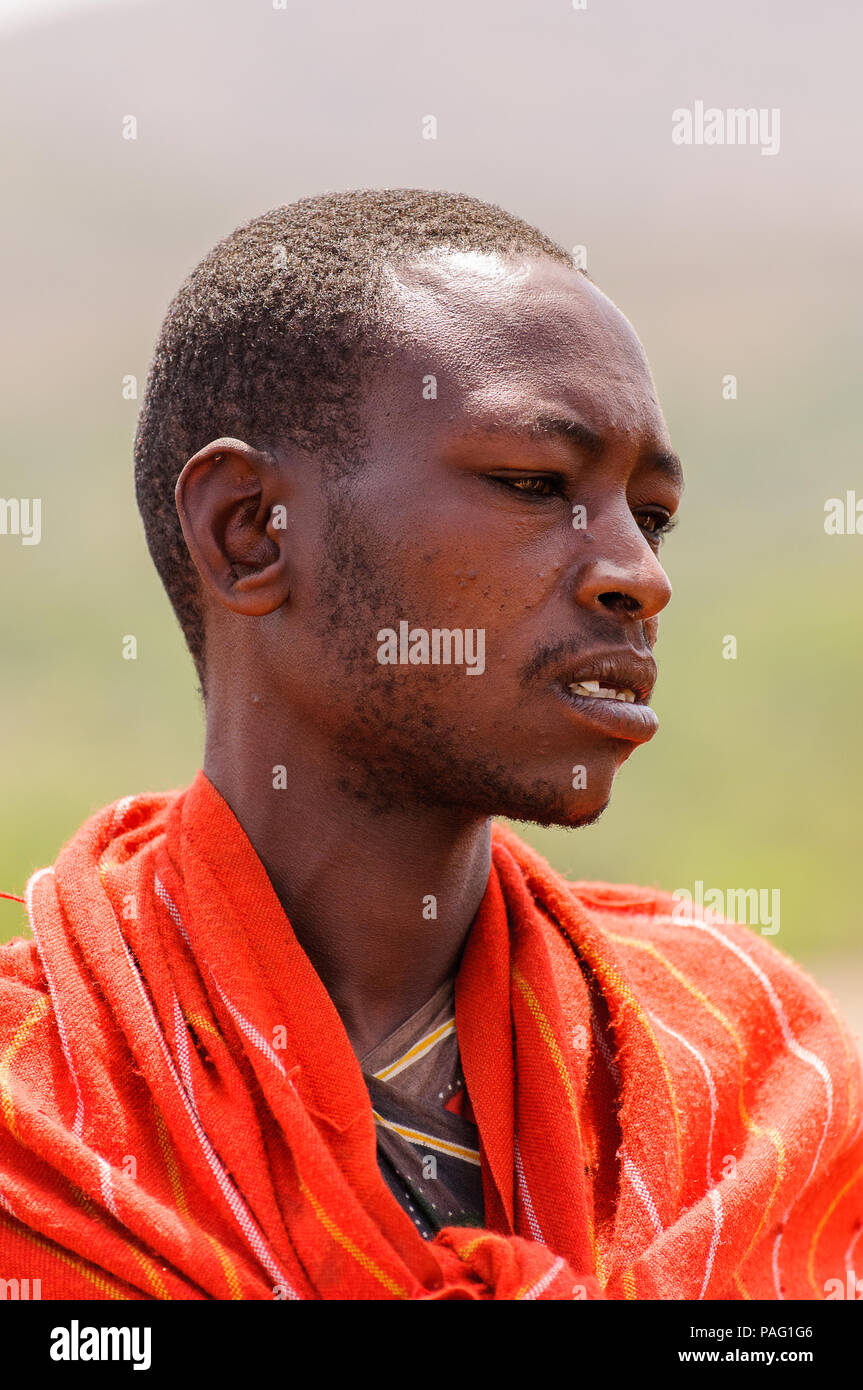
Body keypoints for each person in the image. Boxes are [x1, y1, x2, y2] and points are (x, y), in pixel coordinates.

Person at [1, 189, 859, 1301]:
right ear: (248, 530)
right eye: (532, 484)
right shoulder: (35, 1117)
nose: (637, 575)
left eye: (649, 515)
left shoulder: (743, 1069)